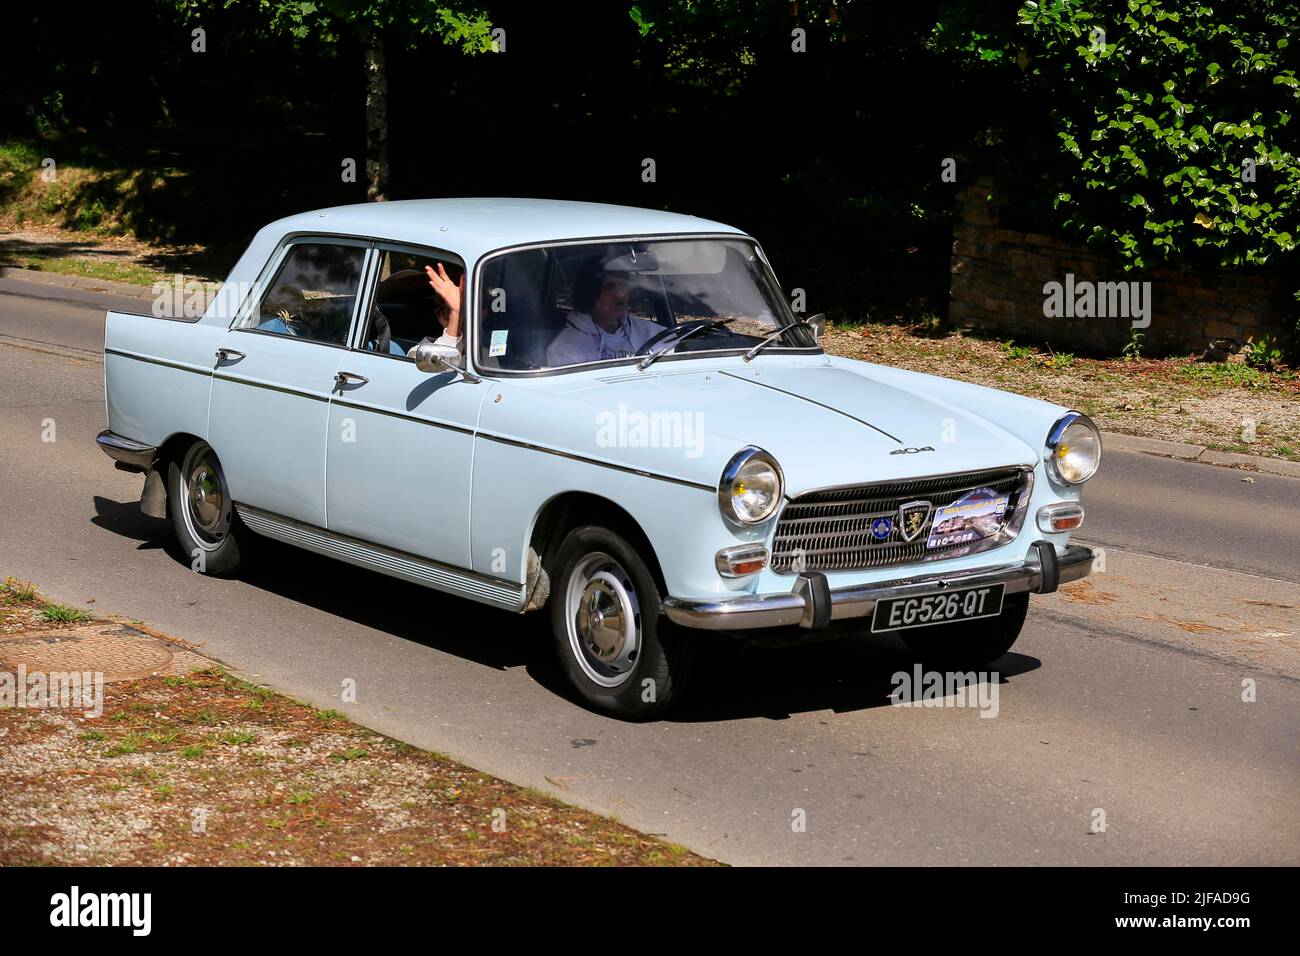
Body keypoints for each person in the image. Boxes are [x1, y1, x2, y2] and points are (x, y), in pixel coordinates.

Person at [545, 271, 663, 367]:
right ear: (590, 294)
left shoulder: (652, 332)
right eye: (610, 287)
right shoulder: (566, 348)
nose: (620, 294)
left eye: (624, 284)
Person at [408, 262, 466, 363]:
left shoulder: (483, 356)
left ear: (483, 314)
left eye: (469, 312)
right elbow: (439, 366)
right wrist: (456, 313)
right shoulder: (420, 351)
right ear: (439, 315)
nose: (463, 320)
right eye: (448, 311)